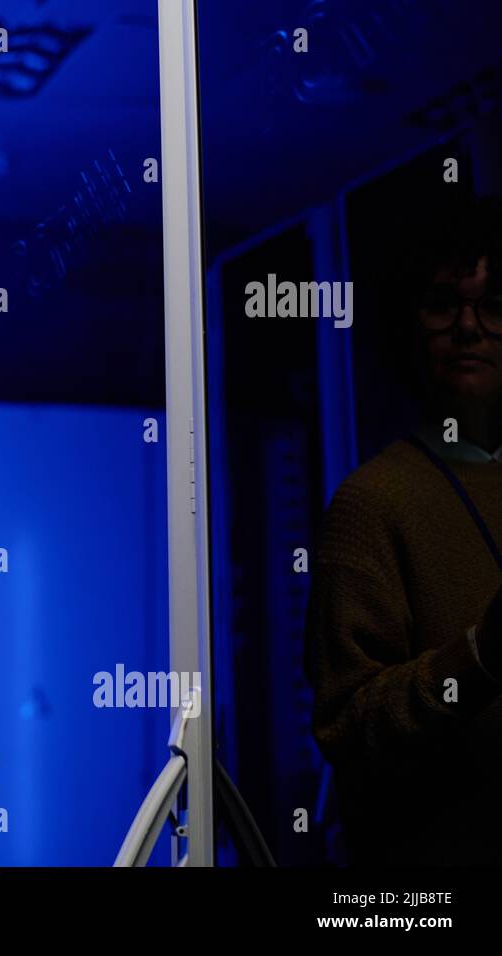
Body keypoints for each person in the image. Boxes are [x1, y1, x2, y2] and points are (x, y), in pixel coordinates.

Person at [304, 195, 502, 866]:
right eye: (444, 304)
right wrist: (477, 659)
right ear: (411, 325)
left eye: (494, 306)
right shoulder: (372, 502)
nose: (470, 327)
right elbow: (345, 725)